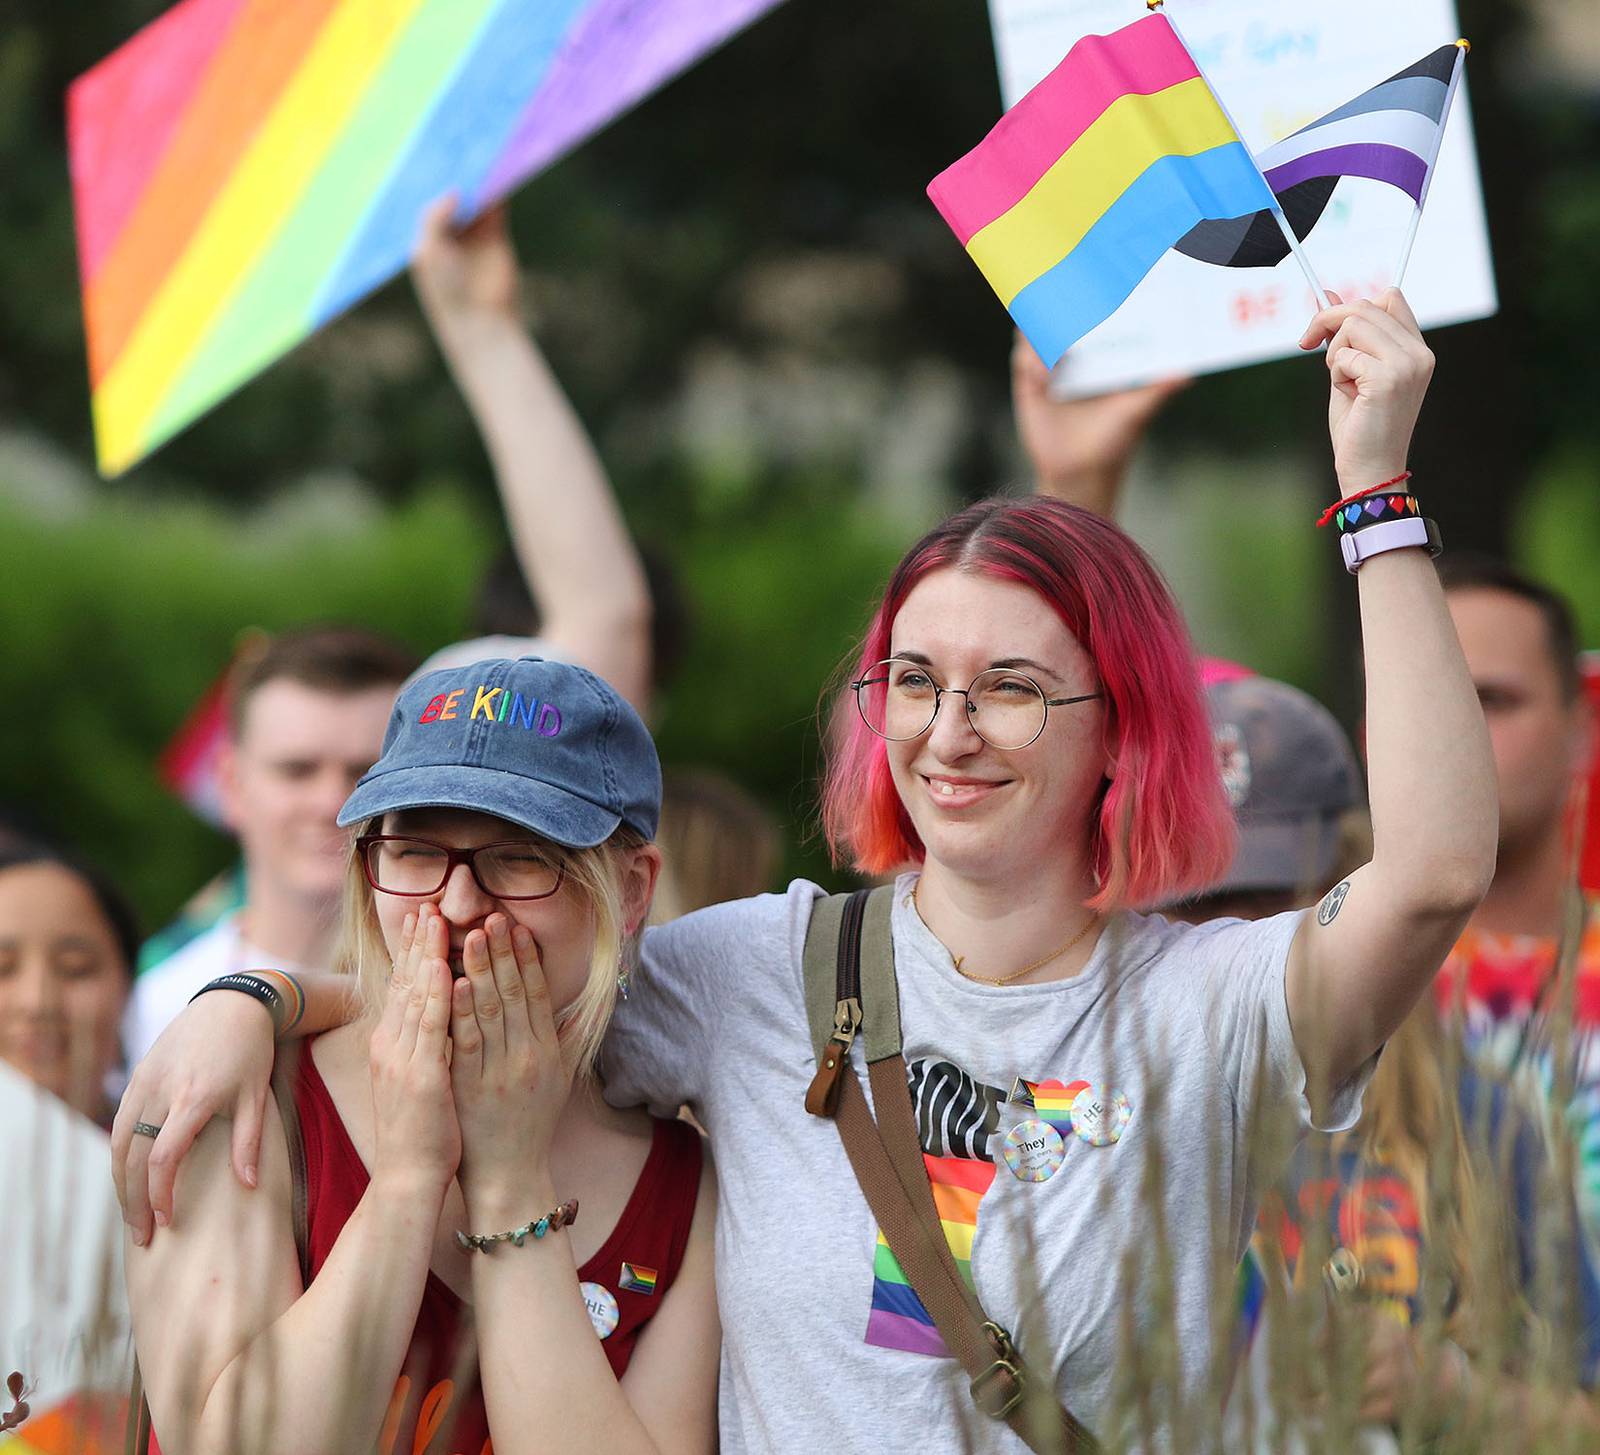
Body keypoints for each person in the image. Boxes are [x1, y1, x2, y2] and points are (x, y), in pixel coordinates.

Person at [115, 290, 1492, 1448]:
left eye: (1011, 688)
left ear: (1123, 726)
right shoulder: (758, 968)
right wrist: (250, 999)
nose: (950, 730)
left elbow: (1431, 873)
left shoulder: (1214, 1002)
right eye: (915, 679)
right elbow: (492, 975)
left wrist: (1374, 491)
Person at [123, 656, 718, 1455]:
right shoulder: (239, 1095)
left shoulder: (684, 1184)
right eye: (413, 850)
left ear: (633, 888)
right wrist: (407, 1179)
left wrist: (510, 1185)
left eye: (521, 856)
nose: (459, 903)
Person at [123, 627, 419, 1064]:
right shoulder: (151, 1009)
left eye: (365, 772)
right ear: (231, 785)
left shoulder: (463, 996)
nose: (332, 802)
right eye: (297, 770)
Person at [1426, 557, 1600, 1248]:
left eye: (1493, 699)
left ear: (1583, 730)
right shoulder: (1307, 980)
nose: (1455, 727)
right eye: (1424, 696)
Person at [0, 840, 139, 1125]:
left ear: (126, 983)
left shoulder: (182, 1149)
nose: (37, 1002)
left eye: (75, 968)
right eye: (2, 968)